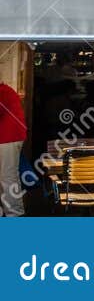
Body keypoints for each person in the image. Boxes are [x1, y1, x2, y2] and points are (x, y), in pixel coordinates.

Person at [0, 79, 24, 217]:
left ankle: (14, 214)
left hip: (7, 138)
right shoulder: (5, 91)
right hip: (8, 137)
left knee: (7, 177)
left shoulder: (3, 92)